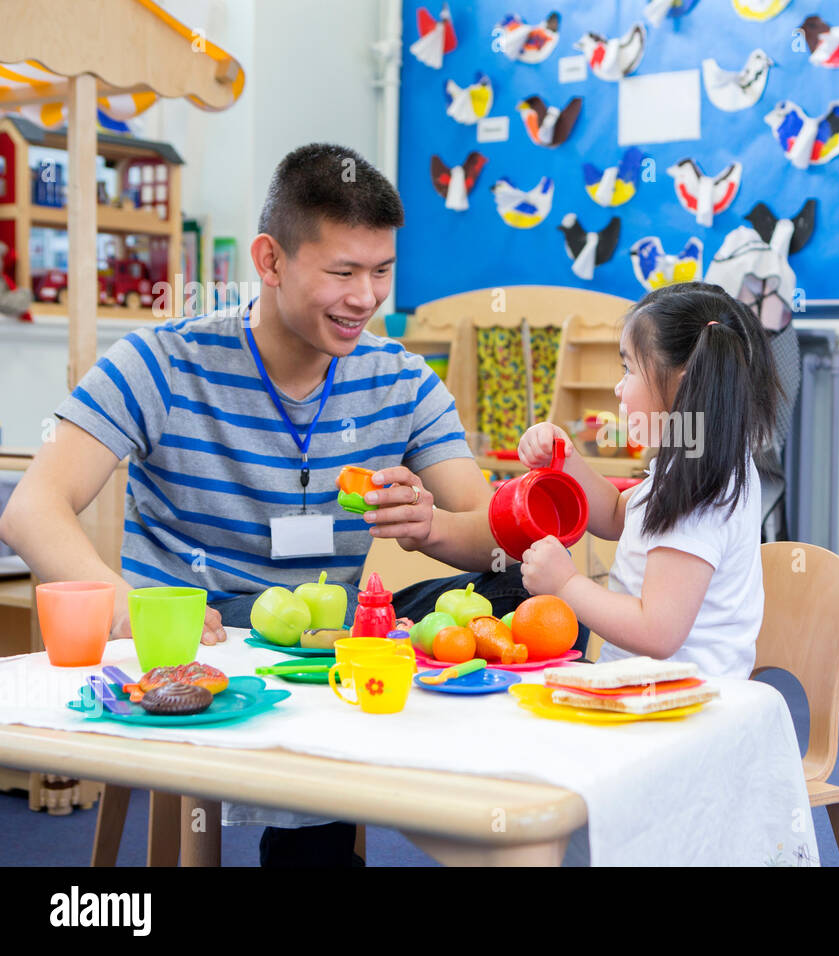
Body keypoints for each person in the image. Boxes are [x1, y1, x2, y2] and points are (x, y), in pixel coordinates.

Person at [0, 143, 533, 862]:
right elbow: (32, 508)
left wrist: (432, 526)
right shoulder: (166, 361)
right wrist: (124, 603)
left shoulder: (401, 379)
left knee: (525, 583)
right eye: (342, 271)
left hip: (321, 660)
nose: (365, 297)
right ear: (270, 260)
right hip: (197, 656)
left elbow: (494, 536)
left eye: (381, 271)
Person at [515, 282, 779, 680]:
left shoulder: (700, 489)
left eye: (629, 369)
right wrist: (567, 461)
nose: (618, 388)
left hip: (679, 702)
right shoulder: (696, 464)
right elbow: (618, 515)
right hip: (649, 688)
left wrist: (566, 584)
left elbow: (658, 632)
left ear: (684, 384)